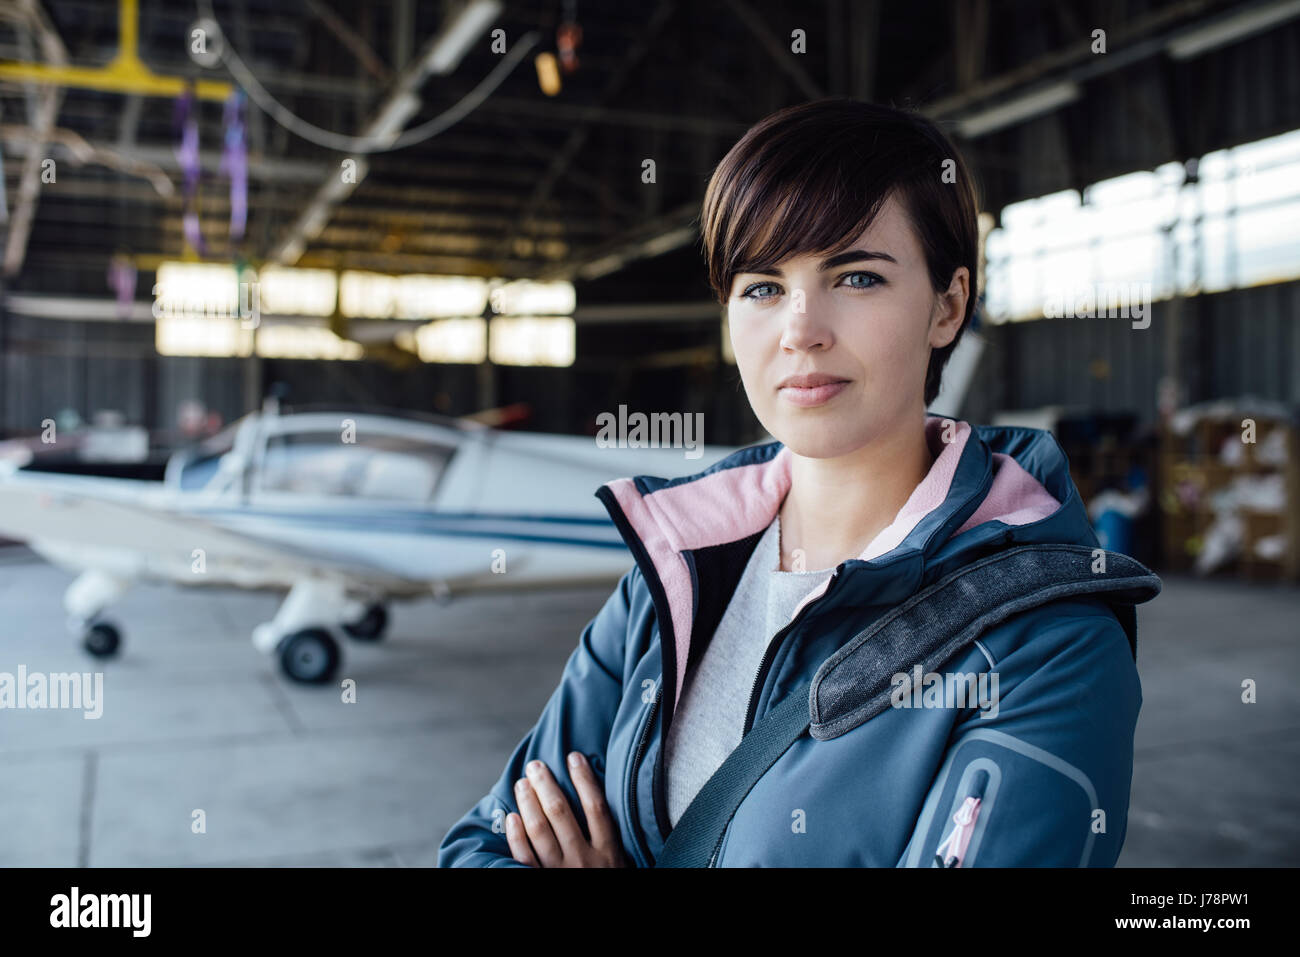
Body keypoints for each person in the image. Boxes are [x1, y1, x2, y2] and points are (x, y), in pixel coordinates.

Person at [438, 97, 1159, 868]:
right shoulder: (671, 577)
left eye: (855, 277)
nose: (800, 328)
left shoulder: (1046, 645)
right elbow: (483, 845)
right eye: (761, 286)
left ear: (948, 306)